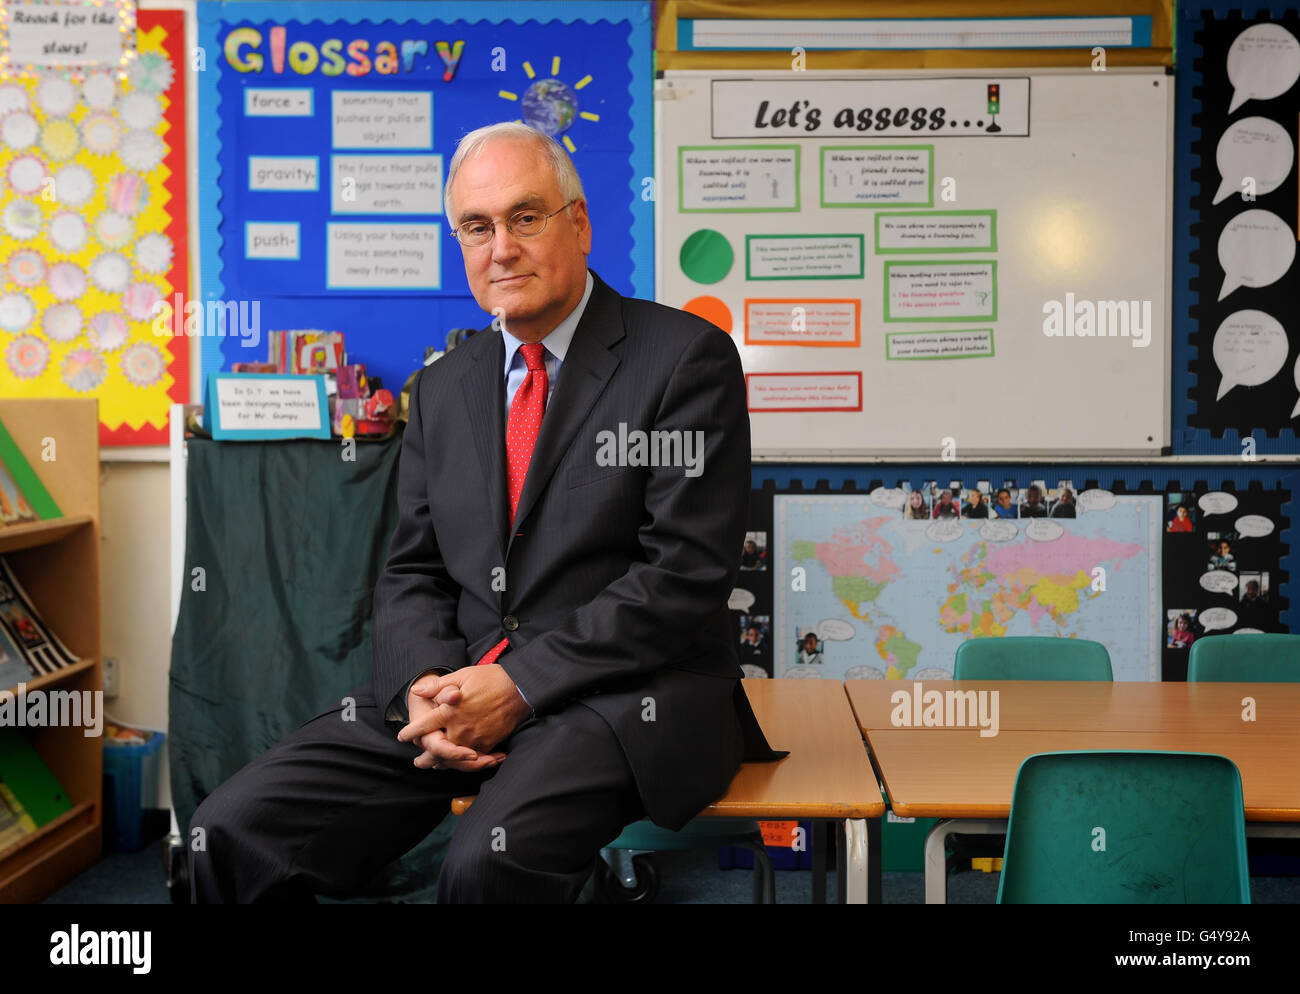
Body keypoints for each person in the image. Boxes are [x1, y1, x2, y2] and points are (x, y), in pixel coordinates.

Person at [188, 122, 784, 904]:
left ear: (579, 223)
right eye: (476, 226)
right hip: (459, 686)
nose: (500, 247)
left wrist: (518, 685)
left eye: (525, 217)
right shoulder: (444, 387)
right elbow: (412, 569)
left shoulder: (683, 360)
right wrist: (427, 688)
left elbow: (681, 577)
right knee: (228, 833)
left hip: (626, 696)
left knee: (486, 867)